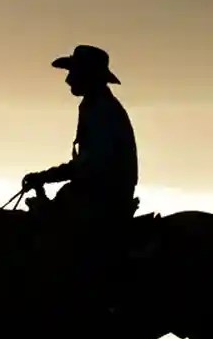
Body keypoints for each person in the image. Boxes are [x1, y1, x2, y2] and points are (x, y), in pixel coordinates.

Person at [21, 44, 139, 320]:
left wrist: (46, 177)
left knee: (60, 235)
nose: (68, 79)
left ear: (87, 76)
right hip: (103, 188)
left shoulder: (101, 110)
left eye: (73, 72)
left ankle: (89, 306)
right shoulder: (96, 106)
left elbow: (91, 164)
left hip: (105, 193)